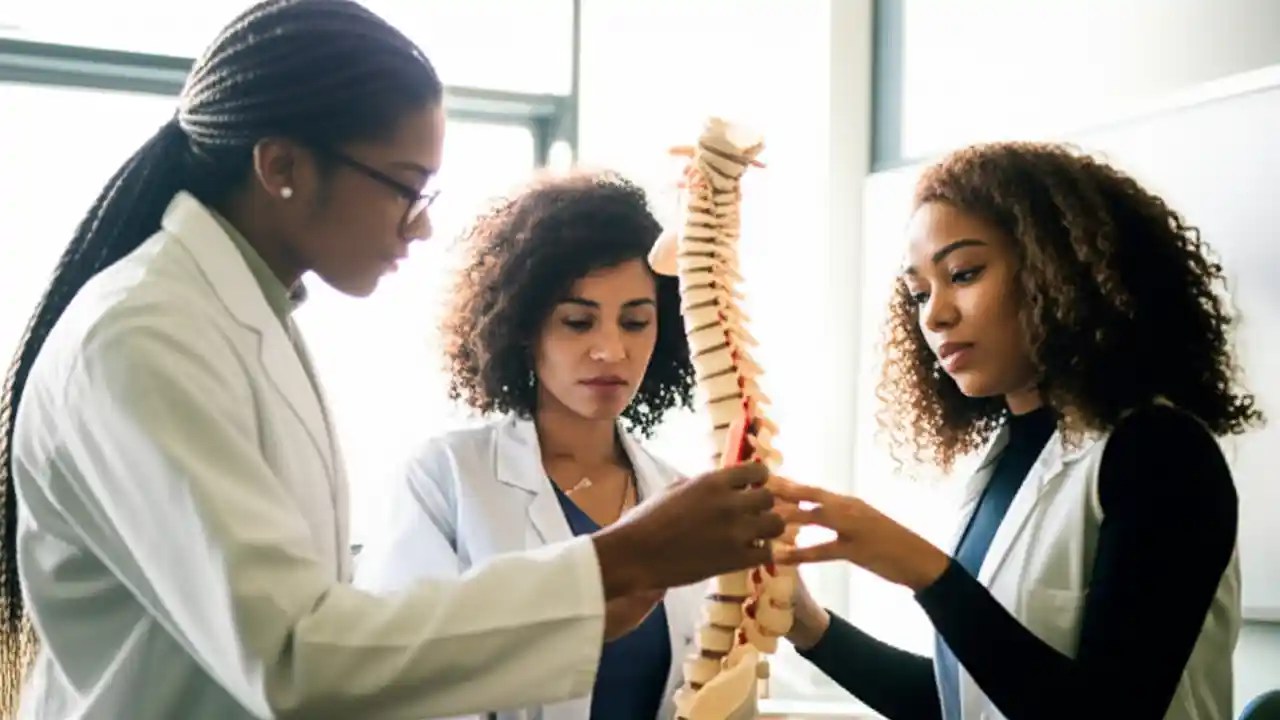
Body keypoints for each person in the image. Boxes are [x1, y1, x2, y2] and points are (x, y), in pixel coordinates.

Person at [0, 2, 785, 718]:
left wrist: (607, 582)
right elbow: (296, 658)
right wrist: (616, 561)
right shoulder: (144, 337)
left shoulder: (245, 323)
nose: (417, 228)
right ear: (282, 168)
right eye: (404, 188)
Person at [770, 141, 1260, 720]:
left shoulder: (1159, 452)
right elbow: (970, 704)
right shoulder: (1006, 461)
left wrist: (922, 569)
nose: (934, 315)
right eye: (920, 293)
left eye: (964, 273)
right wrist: (811, 630)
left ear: (1060, 267)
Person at [355, 170, 708, 720]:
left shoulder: (677, 495)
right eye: (577, 322)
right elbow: (400, 680)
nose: (610, 350)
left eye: (636, 322)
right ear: (524, 326)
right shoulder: (446, 477)